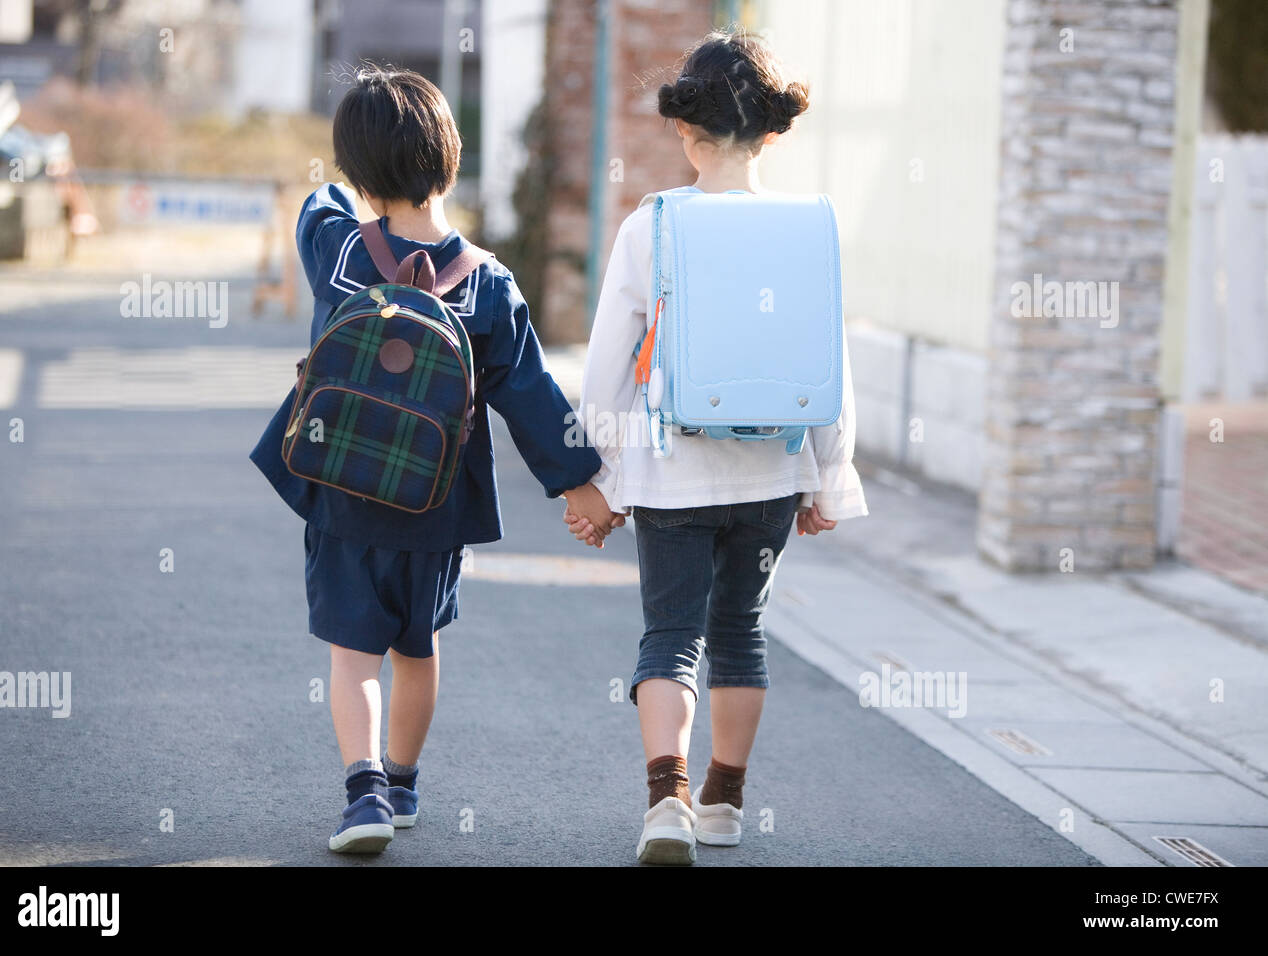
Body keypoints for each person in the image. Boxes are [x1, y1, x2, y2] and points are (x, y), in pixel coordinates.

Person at [250, 65, 616, 853]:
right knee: (418, 648)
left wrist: (343, 191)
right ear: (449, 157)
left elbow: (318, 209)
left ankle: (364, 795)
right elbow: (530, 394)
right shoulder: (489, 284)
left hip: (344, 490)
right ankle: (404, 782)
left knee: (354, 656)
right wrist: (581, 485)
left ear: (359, 172)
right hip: (437, 503)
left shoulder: (340, 254)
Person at [566, 30, 869, 864]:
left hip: (671, 473)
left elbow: (606, 371)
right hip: (773, 470)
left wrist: (605, 477)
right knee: (741, 633)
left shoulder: (653, 225)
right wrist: (828, 476)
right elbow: (829, 362)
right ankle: (726, 800)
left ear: (683, 131)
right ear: (773, 132)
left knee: (670, 635)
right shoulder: (808, 226)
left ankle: (667, 801)